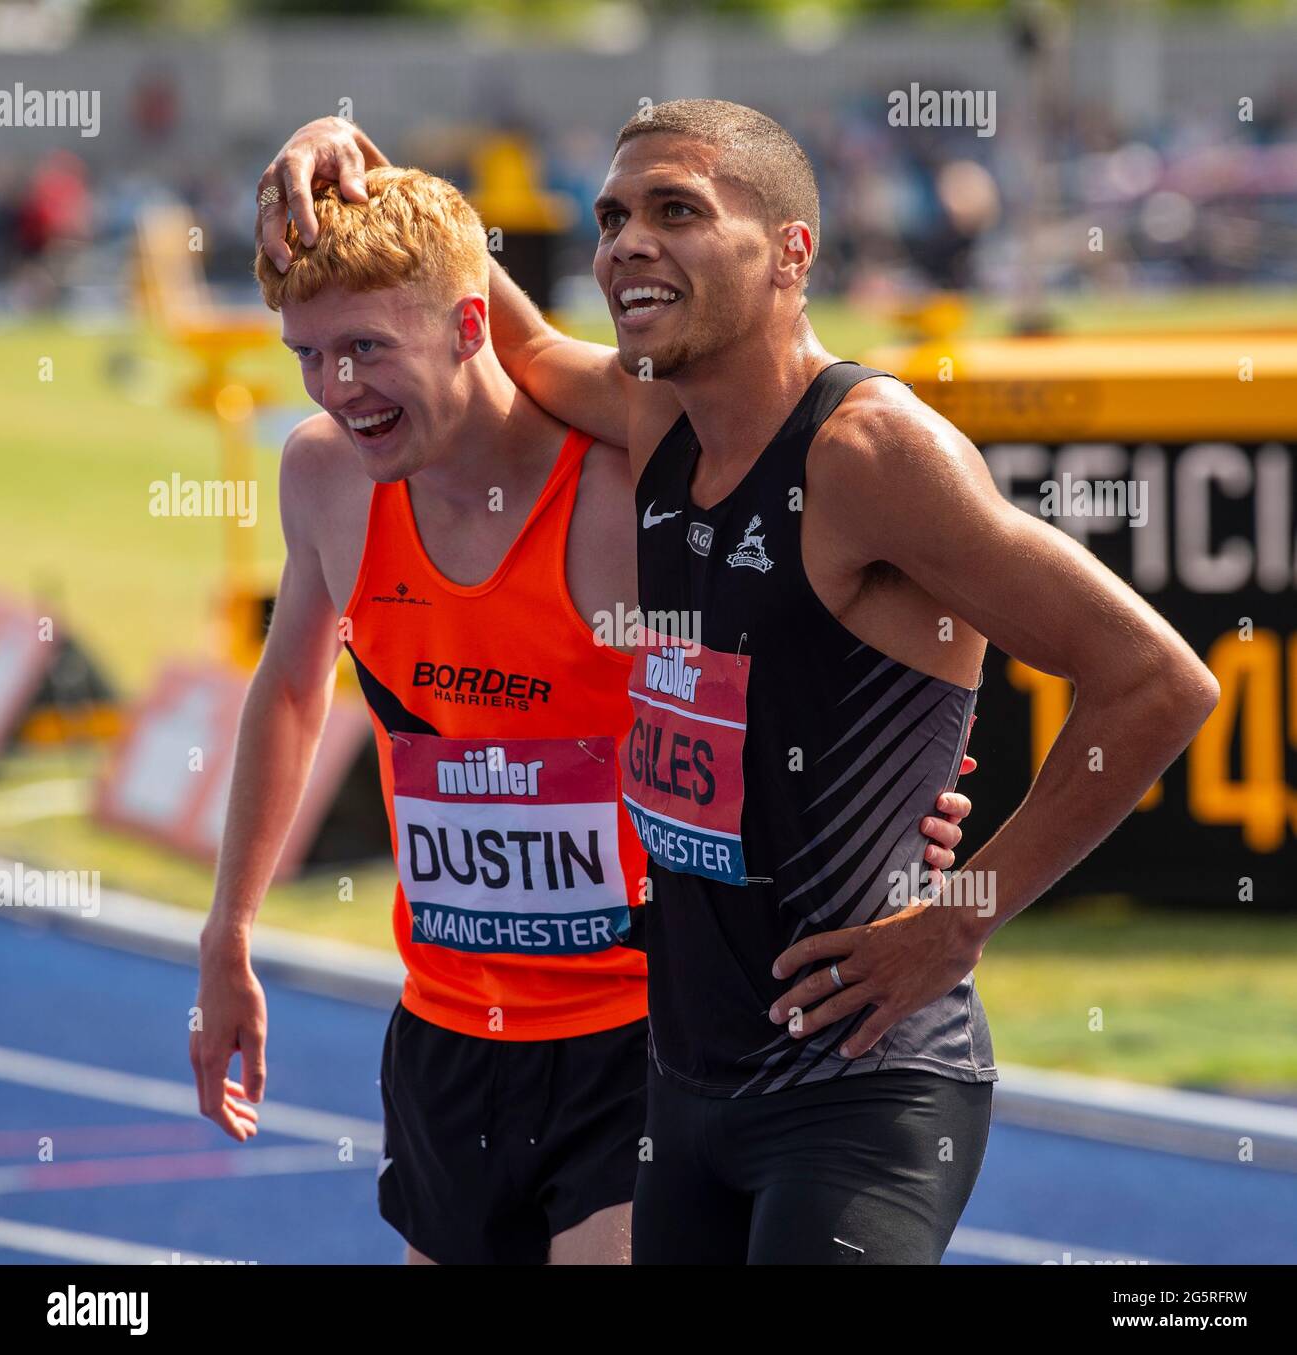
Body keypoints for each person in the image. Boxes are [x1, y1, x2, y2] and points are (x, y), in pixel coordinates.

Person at [260, 101, 1218, 1265]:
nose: (626, 243)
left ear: (791, 252)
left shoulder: (867, 452)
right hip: (685, 1083)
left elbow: (1157, 681)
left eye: (677, 211)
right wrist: (360, 158)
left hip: (853, 1084)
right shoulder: (658, 418)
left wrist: (958, 922)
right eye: (612, 217)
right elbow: (488, 332)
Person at [192, 162, 973, 1266]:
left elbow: (806, 650)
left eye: (367, 347)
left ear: (471, 325)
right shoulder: (324, 478)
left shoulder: (621, 493)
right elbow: (286, 688)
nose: (338, 386)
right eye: (309, 356)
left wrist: (902, 793)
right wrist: (228, 931)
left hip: (642, 1034)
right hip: (449, 1026)